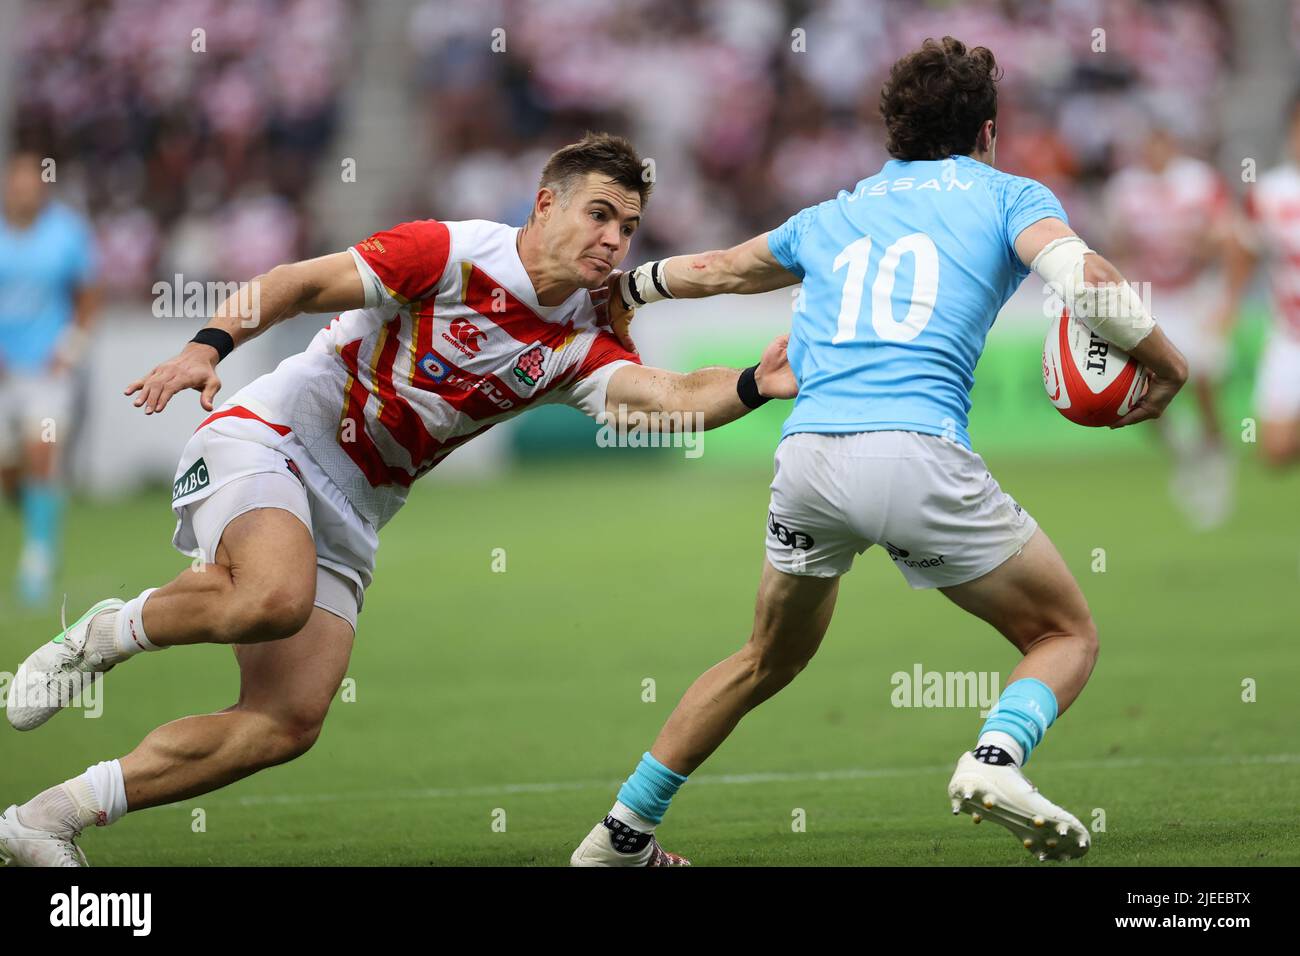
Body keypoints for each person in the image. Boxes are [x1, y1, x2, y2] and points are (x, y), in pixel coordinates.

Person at [0, 133, 795, 867]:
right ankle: (108, 632)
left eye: (629, 227)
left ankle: (47, 819)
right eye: (599, 214)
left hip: (359, 504)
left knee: (287, 722)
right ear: (545, 204)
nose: (615, 240)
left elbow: (666, 396)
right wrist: (205, 348)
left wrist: (758, 384)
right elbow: (297, 282)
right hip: (272, 435)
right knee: (275, 596)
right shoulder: (451, 253)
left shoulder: (586, 338)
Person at [571, 38, 1188, 867]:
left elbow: (718, 269)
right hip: (912, 453)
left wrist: (625, 286)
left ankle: (620, 836)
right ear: (989, 132)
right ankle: (996, 760)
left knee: (764, 657)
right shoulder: (1008, 194)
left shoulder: (837, 210)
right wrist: (1169, 362)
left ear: (892, 133)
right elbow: (1083, 279)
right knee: (1064, 636)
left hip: (808, 457)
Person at [1105, 123, 1235, 528]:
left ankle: (1217, 454)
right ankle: (1183, 453)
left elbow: (1226, 236)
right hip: (1152, 295)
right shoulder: (1126, 189)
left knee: (1203, 381)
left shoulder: (1198, 181)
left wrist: (1199, 247)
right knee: (1138, 389)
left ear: (1172, 146)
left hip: (1194, 292)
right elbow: (1117, 244)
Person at [0, 151, 100, 606]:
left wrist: (69, 348)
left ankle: (38, 558)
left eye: (29, 182)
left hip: (46, 368)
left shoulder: (66, 232)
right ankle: (38, 514)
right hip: (4, 369)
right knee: (9, 470)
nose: (22, 189)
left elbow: (88, 294)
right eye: (14, 182)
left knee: (42, 453)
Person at [1218, 89, 1300, 469]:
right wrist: (1230, 302)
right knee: (1275, 450)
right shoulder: (1270, 192)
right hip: (1289, 334)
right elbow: (1243, 244)